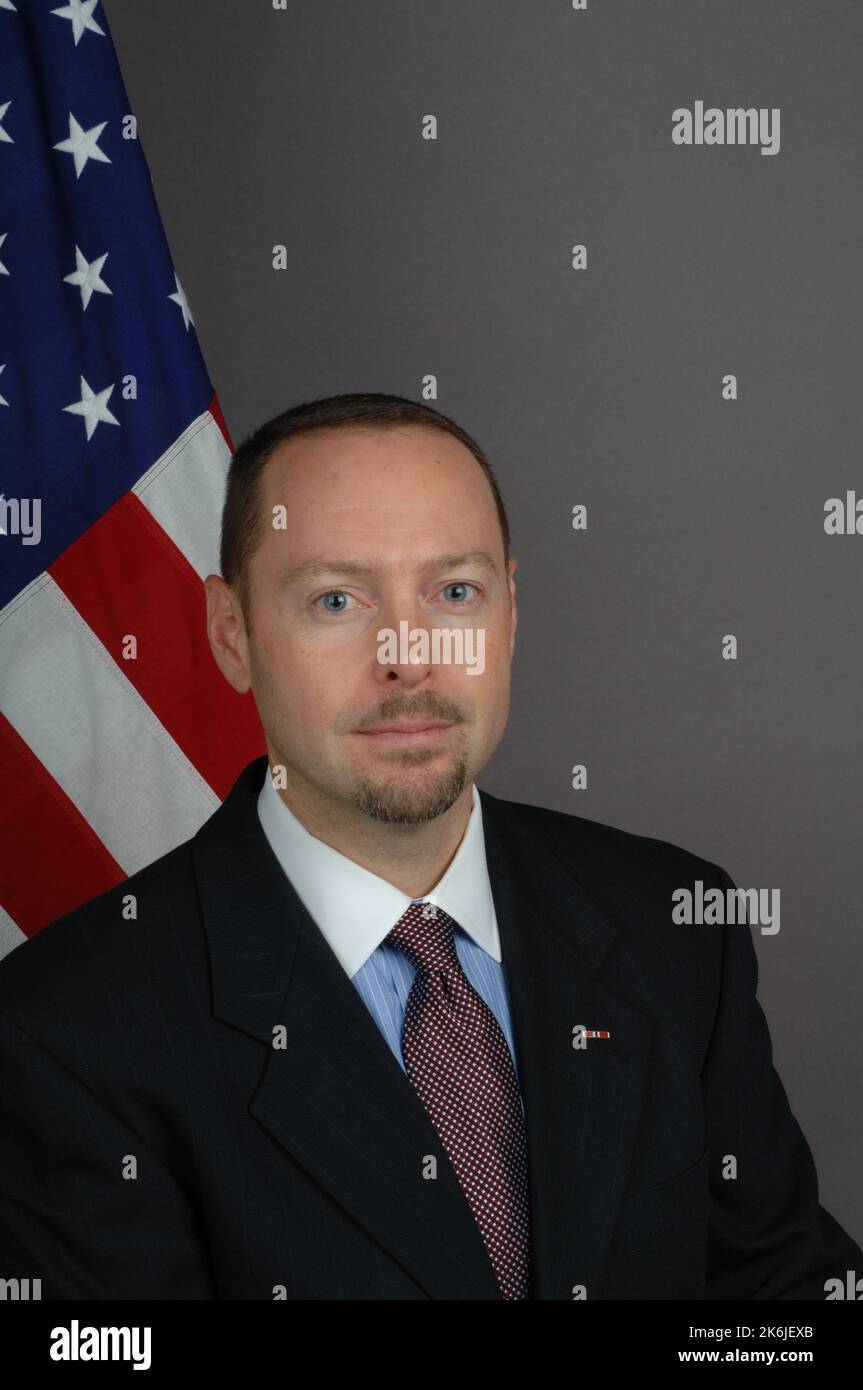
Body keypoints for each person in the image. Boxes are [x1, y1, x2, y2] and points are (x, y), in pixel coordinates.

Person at [0, 392, 859, 1300]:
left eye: (454, 592)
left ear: (510, 613)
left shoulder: (674, 926)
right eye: (337, 599)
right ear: (233, 635)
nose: (407, 655)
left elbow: (783, 1304)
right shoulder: (65, 1031)